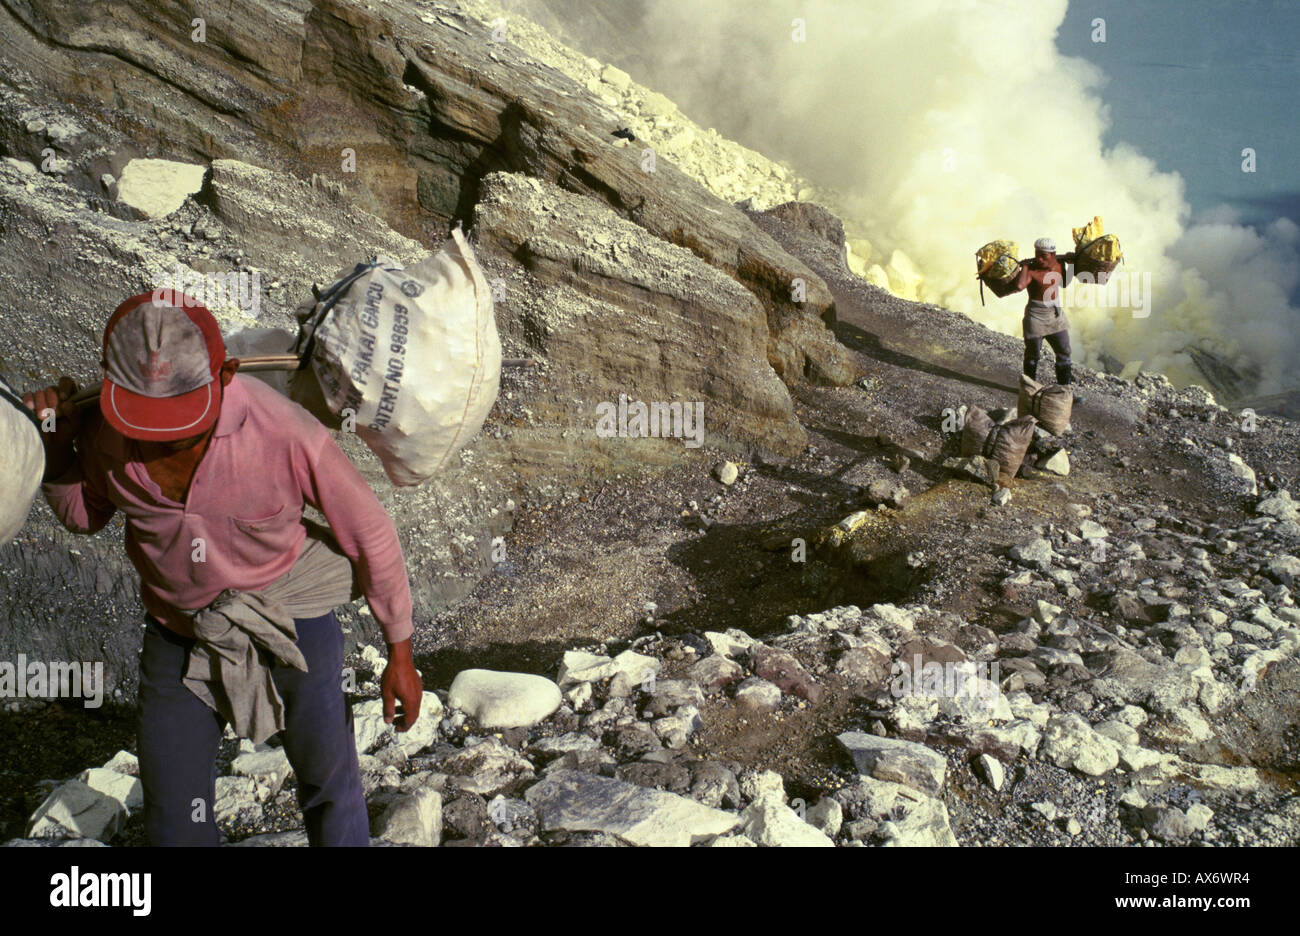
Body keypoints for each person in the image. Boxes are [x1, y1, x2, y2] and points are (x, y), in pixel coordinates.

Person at [23, 293, 423, 846]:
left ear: (226, 375)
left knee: (328, 782)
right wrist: (55, 450)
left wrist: (399, 653)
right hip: (179, 631)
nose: (160, 440)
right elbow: (84, 516)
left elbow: (369, 530)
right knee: (174, 817)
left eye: (178, 419)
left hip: (290, 618)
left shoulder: (282, 429)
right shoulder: (101, 432)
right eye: (145, 420)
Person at [1014, 237, 1083, 402]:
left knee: (1064, 352)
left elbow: (1065, 283)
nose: (1039, 259)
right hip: (1035, 317)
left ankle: (1064, 392)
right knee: (1032, 355)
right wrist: (1024, 266)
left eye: (1043, 256)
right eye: (1037, 255)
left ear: (1053, 254)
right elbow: (1019, 286)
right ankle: (1028, 390)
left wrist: (1071, 264)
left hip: (1054, 315)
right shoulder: (1031, 270)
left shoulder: (1059, 265)